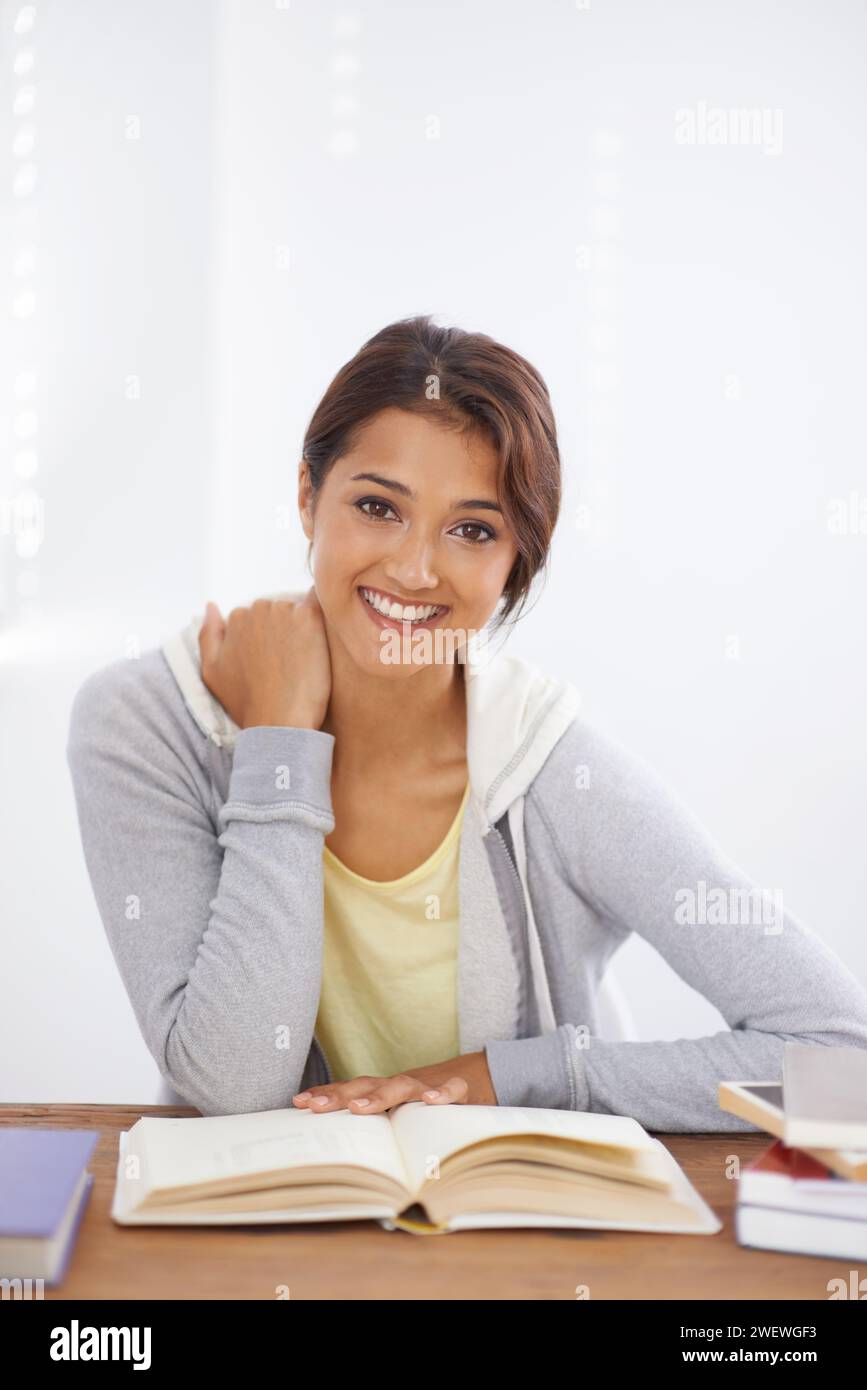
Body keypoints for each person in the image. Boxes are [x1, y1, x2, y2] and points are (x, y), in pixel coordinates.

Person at [66, 314, 867, 1126]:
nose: (413, 569)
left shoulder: (551, 771)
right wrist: (279, 744)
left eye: (471, 529)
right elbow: (235, 1083)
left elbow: (840, 1056)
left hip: (508, 1234)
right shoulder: (145, 723)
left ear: (516, 560)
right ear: (307, 497)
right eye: (378, 507)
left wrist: (505, 1076)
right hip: (257, 1234)